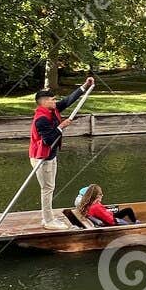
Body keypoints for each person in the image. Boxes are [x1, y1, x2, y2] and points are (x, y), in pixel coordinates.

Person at [30, 77, 95, 230]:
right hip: (42, 157)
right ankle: (48, 220)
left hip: (50, 155)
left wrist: (85, 86)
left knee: (50, 187)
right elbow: (48, 140)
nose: (55, 101)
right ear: (44, 102)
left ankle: (48, 216)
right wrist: (62, 126)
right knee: (47, 189)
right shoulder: (41, 119)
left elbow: (67, 101)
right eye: (52, 99)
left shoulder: (52, 110)